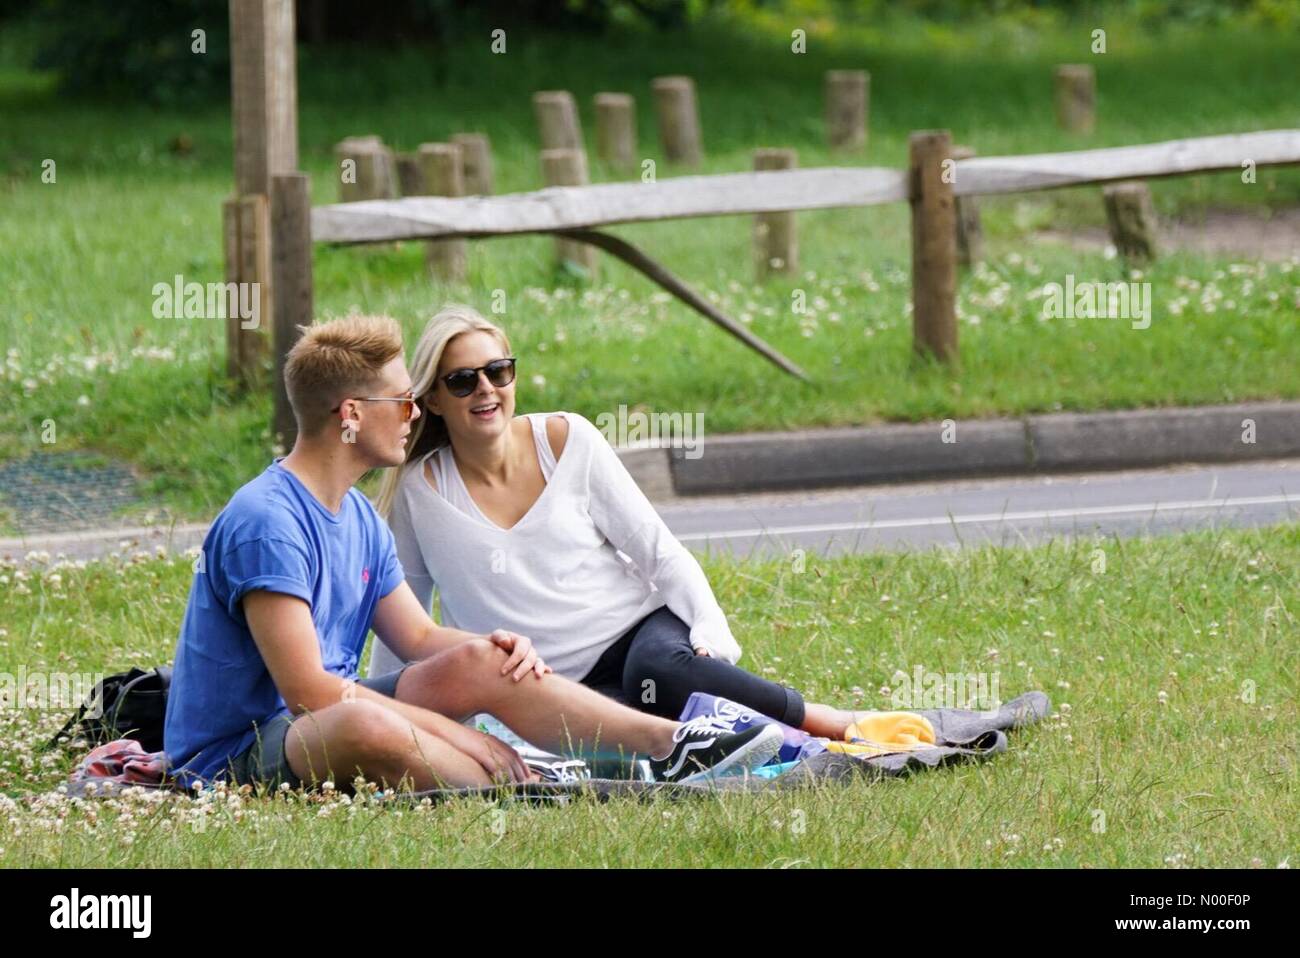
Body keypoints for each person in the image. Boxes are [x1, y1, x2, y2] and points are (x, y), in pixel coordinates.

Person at [162, 314, 783, 792]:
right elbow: (309, 694)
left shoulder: (356, 516)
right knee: (363, 723)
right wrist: (438, 729)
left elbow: (422, 638)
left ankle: (674, 746)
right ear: (351, 415)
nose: (413, 414)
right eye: (402, 401)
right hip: (242, 751)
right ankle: (534, 783)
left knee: (484, 658)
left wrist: (494, 650)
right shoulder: (267, 522)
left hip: (320, 716)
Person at [370, 304, 867, 740]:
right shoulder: (418, 493)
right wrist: (384, 711)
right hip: (546, 688)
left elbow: (659, 551)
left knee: (661, 673)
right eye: (462, 380)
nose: (485, 389)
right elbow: (404, 623)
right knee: (595, 731)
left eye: (498, 372)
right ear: (433, 398)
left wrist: (711, 636)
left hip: (639, 635)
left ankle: (821, 719)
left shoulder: (568, 440)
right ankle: (725, 741)